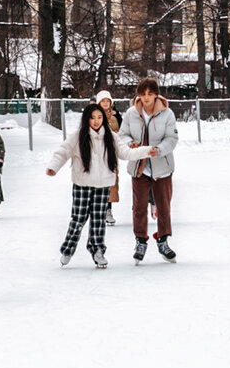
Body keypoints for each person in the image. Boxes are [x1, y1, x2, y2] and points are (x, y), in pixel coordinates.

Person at [47, 103, 155, 268]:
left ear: (104, 118)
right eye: (92, 117)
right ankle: (68, 249)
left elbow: (127, 153)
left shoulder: (111, 136)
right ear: (87, 119)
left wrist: (147, 151)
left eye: (99, 117)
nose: (96, 121)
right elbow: (62, 152)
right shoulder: (77, 136)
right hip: (82, 184)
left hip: (103, 185)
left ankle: (97, 250)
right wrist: (53, 167)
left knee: (98, 220)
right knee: (78, 219)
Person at [121, 78, 180, 264]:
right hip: (139, 166)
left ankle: (163, 241)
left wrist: (159, 150)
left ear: (156, 94)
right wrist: (131, 144)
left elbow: (172, 138)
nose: (146, 98)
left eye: (150, 93)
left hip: (161, 166)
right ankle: (140, 241)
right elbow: (122, 134)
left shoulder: (167, 113)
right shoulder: (131, 113)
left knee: (163, 206)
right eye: (143, 93)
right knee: (139, 207)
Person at [96, 90, 122, 226]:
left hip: (111, 154)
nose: (106, 103)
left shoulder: (115, 117)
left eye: (108, 101)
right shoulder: (94, 116)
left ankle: (108, 210)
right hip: (98, 154)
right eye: (103, 101)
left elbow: (121, 133)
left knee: (111, 182)